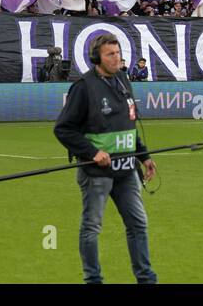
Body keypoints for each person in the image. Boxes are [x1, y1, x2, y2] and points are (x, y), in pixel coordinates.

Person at [53, 34, 157, 284]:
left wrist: (144, 156)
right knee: (92, 228)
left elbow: (128, 124)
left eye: (118, 53)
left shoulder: (123, 80)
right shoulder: (83, 87)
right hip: (97, 174)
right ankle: (93, 280)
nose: (116, 58)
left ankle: (146, 279)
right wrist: (92, 153)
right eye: (110, 54)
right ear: (96, 58)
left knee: (138, 225)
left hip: (127, 170)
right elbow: (63, 128)